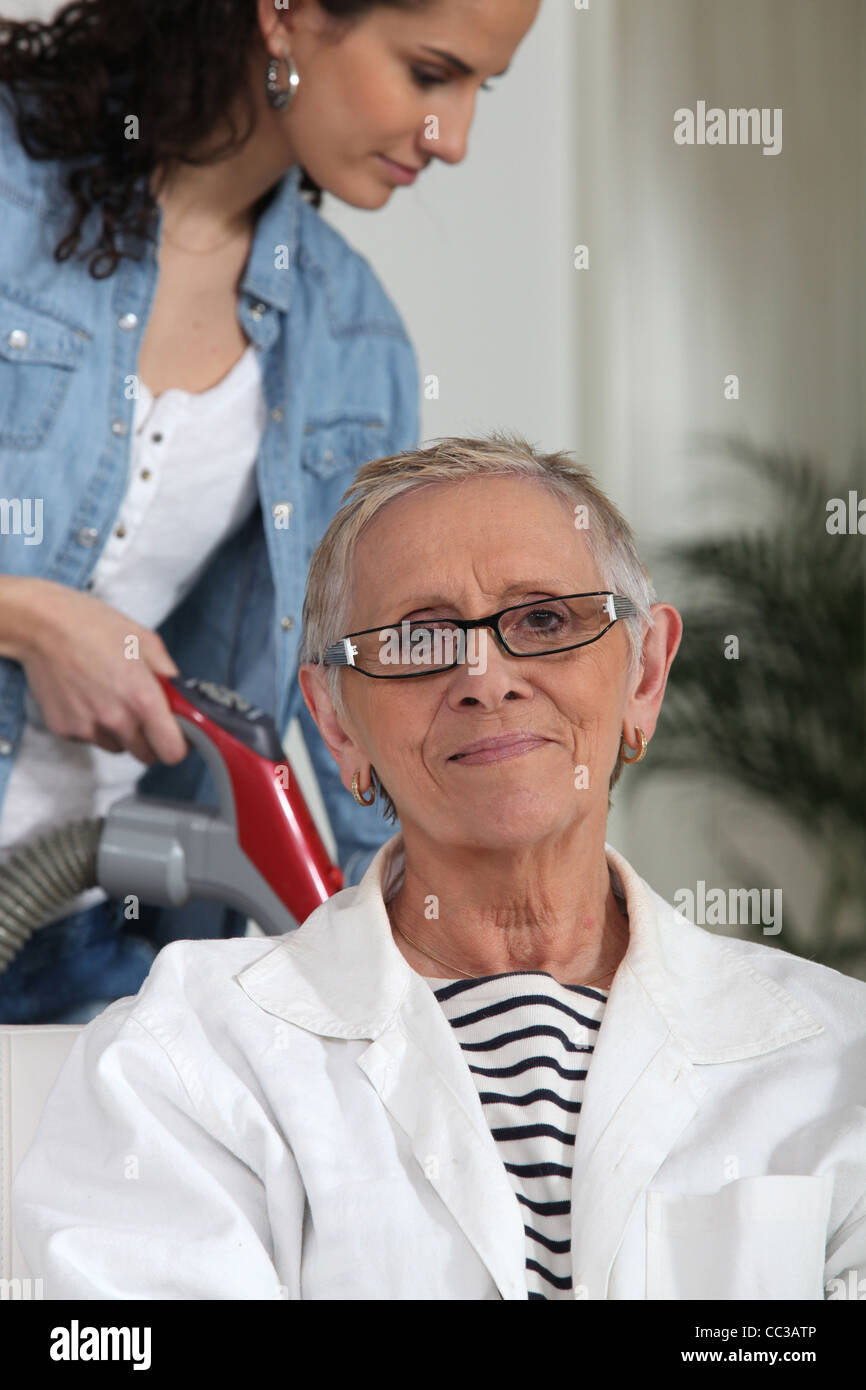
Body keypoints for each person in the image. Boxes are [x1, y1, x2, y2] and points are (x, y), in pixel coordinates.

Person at [13, 433, 866, 1300]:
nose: (484, 678)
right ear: (336, 722)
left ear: (645, 674)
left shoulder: (842, 1058)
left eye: (544, 619)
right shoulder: (184, 1055)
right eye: (418, 639)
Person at [0, 0, 540, 1023]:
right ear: (283, 16)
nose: (456, 139)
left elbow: (369, 709)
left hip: (97, 954)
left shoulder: (350, 338)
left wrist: (440, 1001)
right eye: (431, 74)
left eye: (481, 87)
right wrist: (27, 619)